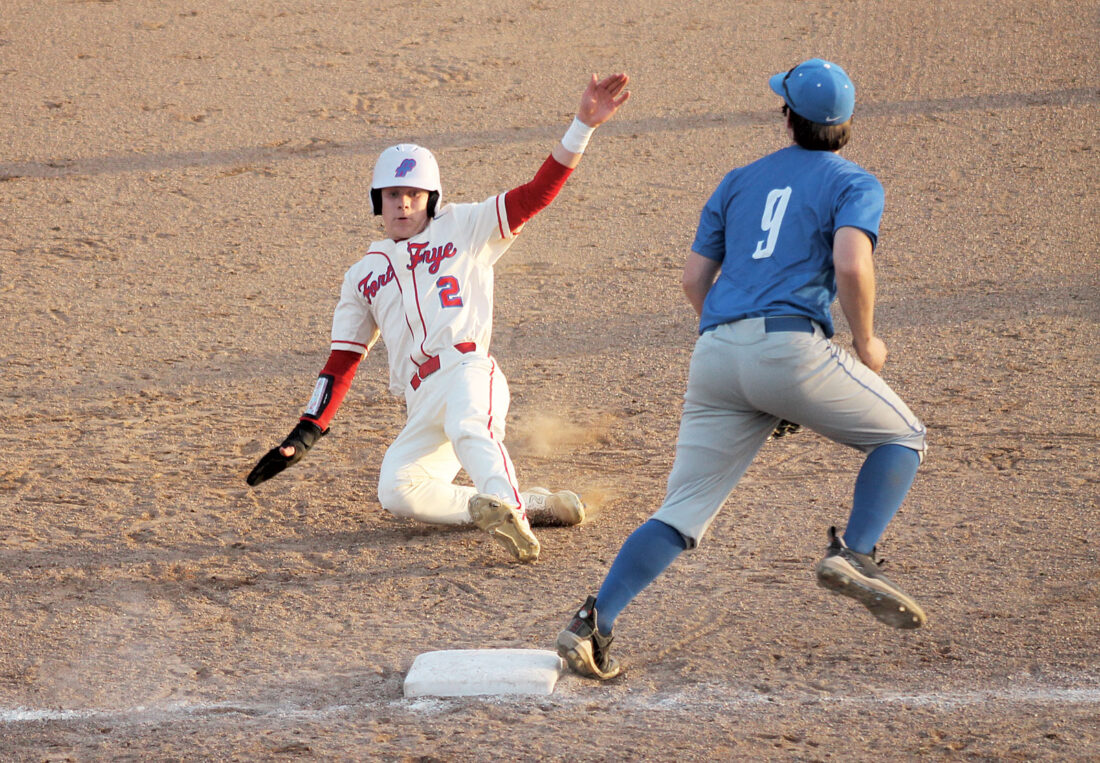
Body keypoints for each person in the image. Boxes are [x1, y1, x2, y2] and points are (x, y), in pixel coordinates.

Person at [556, 59, 928, 680]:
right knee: (903, 437)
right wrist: (867, 342)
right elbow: (851, 264)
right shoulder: (855, 182)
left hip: (715, 356)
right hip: (790, 350)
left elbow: (693, 280)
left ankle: (594, 622)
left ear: (787, 117)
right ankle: (857, 553)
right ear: (845, 125)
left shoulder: (738, 180)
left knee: (681, 511)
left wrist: (735, 344)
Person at [246, 73, 631, 564]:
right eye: (392, 194)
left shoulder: (466, 225)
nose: (403, 203)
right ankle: (533, 506)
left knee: (472, 427)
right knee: (397, 488)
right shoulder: (362, 275)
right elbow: (341, 363)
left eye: (414, 193)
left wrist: (582, 126)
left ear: (432, 197)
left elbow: (535, 195)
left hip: (467, 370)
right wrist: (305, 433)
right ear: (378, 202)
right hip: (422, 399)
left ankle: (510, 511)